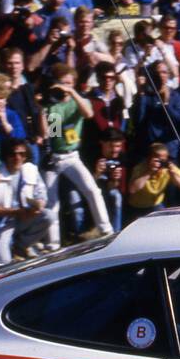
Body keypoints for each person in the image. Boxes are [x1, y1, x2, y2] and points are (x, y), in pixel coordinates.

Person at [42, 61, 113, 246]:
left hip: (73, 156)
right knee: (52, 203)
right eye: (62, 83)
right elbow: (54, 134)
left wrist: (72, 92)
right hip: (56, 157)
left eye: (69, 83)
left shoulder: (78, 101)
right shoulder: (53, 106)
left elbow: (88, 113)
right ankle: (53, 244)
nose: (65, 87)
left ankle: (105, 229)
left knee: (92, 190)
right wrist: (43, 109)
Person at [0, 139, 50, 262]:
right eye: (12, 154)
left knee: (48, 215)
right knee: (4, 262)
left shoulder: (31, 170)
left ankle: (20, 247)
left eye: (21, 154)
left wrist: (38, 205)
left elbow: (42, 195)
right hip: (2, 223)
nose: (17, 158)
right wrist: (15, 212)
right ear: (5, 156)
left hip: (23, 218)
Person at [126, 141, 180, 214]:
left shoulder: (168, 168)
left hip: (156, 204)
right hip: (137, 206)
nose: (160, 163)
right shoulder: (140, 168)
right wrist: (149, 172)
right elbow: (132, 189)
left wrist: (173, 174)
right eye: (158, 160)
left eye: (163, 160)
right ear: (149, 158)